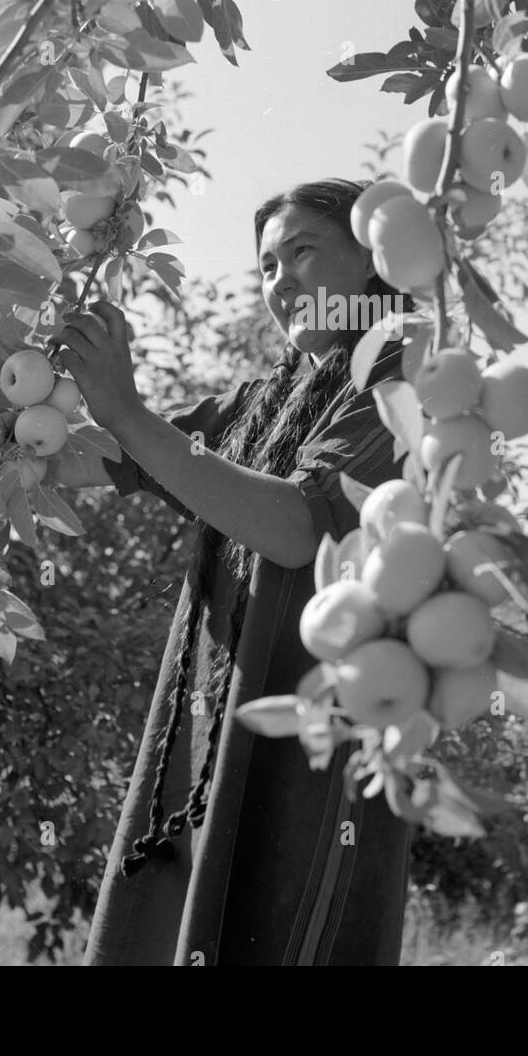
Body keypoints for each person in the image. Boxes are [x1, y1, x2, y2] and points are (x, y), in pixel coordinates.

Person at [48, 178, 415, 966]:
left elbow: (293, 528)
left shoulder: (400, 377)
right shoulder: (261, 403)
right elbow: (102, 458)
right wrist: (3, 411)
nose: (280, 280)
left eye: (302, 251)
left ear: (371, 261)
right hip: (210, 737)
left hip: (315, 753)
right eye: (267, 266)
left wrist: (127, 412)